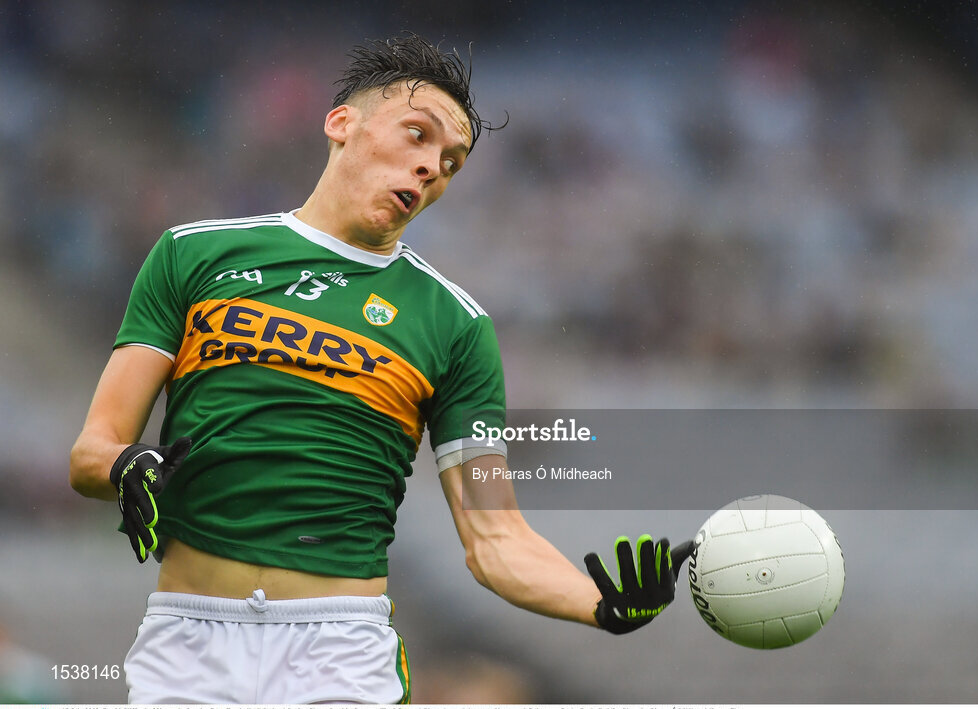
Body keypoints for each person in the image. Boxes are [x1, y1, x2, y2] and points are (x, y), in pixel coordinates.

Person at [69, 34, 690, 704]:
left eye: (451, 162)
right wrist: (126, 465)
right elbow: (91, 453)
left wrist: (599, 603)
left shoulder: (456, 325)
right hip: (187, 644)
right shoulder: (193, 255)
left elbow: (495, 537)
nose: (431, 167)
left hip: (339, 651)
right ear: (341, 123)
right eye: (417, 135)